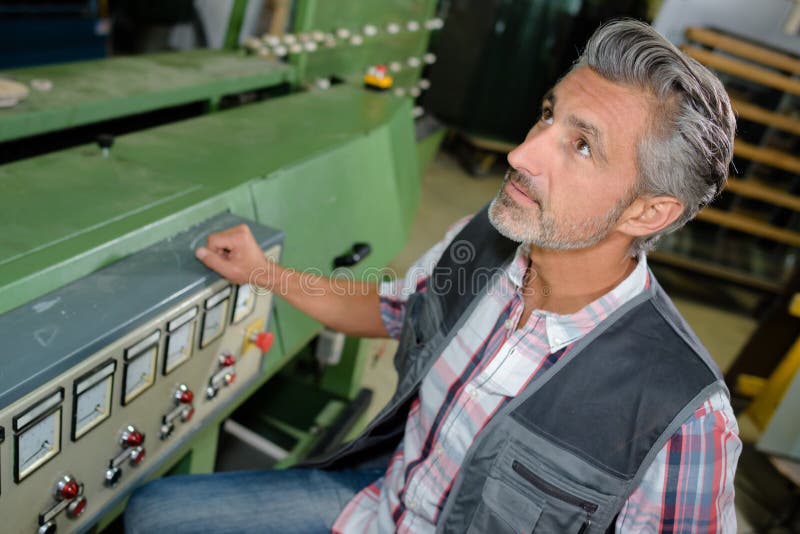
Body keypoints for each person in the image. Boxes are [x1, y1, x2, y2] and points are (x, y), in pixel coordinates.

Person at [125, 19, 740, 533]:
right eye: (548, 117)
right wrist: (266, 273)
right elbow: (393, 311)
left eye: (581, 146)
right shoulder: (486, 242)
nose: (521, 155)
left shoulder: (682, 421)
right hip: (374, 506)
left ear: (647, 212)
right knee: (150, 513)